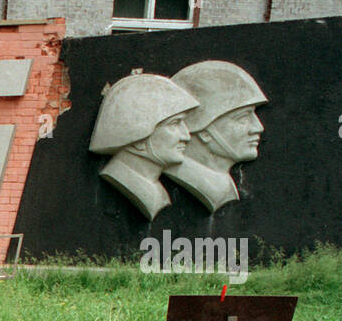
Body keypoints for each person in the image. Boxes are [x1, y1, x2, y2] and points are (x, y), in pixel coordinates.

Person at [89, 73, 198, 220]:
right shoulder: (130, 183)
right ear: (137, 136)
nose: (186, 136)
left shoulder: (155, 190)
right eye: (174, 124)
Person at [164, 60, 268, 213]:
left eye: (254, 114)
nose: (258, 127)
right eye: (243, 118)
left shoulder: (221, 183)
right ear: (204, 130)